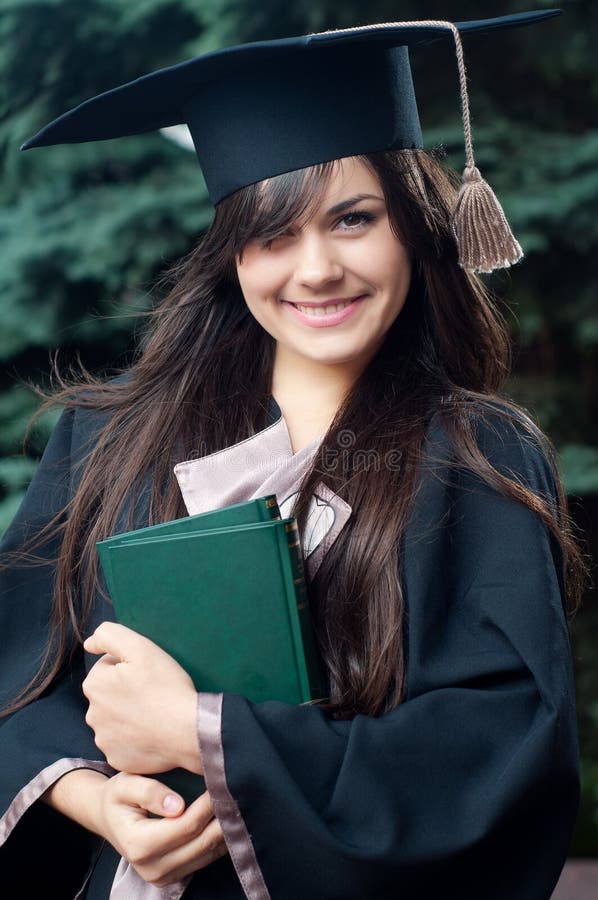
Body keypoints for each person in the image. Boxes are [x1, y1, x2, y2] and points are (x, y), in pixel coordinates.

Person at [0, 11, 586, 900]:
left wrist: (204, 732)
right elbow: (15, 679)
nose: (315, 270)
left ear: (415, 225)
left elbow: (496, 758)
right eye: (274, 233)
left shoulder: (478, 458)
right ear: (232, 252)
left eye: (353, 219)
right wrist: (95, 800)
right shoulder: (106, 441)